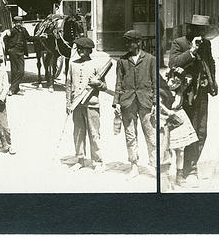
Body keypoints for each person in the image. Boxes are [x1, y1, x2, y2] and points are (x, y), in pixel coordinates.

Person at [168, 14, 217, 188]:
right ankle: (189, 170)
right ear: (190, 29)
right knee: (189, 132)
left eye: (203, 30)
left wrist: (213, 83)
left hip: (202, 93)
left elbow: (210, 63)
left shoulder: (207, 44)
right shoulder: (179, 43)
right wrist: (191, 52)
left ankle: (192, 165)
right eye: (197, 30)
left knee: (202, 131)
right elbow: (173, 63)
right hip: (185, 95)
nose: (201, 34)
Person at [114, 30, 157, 178]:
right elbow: (118, 83)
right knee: (130, 135)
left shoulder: (151, 59)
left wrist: (155, 102)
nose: (127, 45)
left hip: (146, 102)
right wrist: (116, 102)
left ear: (138, 42)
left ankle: (154, 164)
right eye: (126, 42)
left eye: (130, 42)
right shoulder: (122, 61)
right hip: (127, 102)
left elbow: (155, 82)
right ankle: (134, 165)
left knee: (151, 134)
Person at [65, 37, 108, 171]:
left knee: (94, 133)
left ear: (89, 50)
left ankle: (98, 161)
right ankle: (80, 159)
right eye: (78, 49)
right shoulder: (72, 64)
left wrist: (98, 83)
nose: (79, 51)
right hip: (77, 105)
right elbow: (68, 85)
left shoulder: (97, 65)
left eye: (82, 49)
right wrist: (68, 103)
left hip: (92, 104)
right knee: (78, 132)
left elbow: (104, 86)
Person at [4, 16, 29, 95]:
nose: (18, 24)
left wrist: (40, 37)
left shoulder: (23, 30)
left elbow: (29, 38)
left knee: (21, 71)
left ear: (21, 23)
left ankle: (12, 88)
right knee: (14, 71)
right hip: (13, 52)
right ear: (14, 23)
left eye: (20, 22)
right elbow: (5, 39)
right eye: (17, 22)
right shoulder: (12, 31)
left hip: (21, 52)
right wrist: (8, 49)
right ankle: (15, 89)